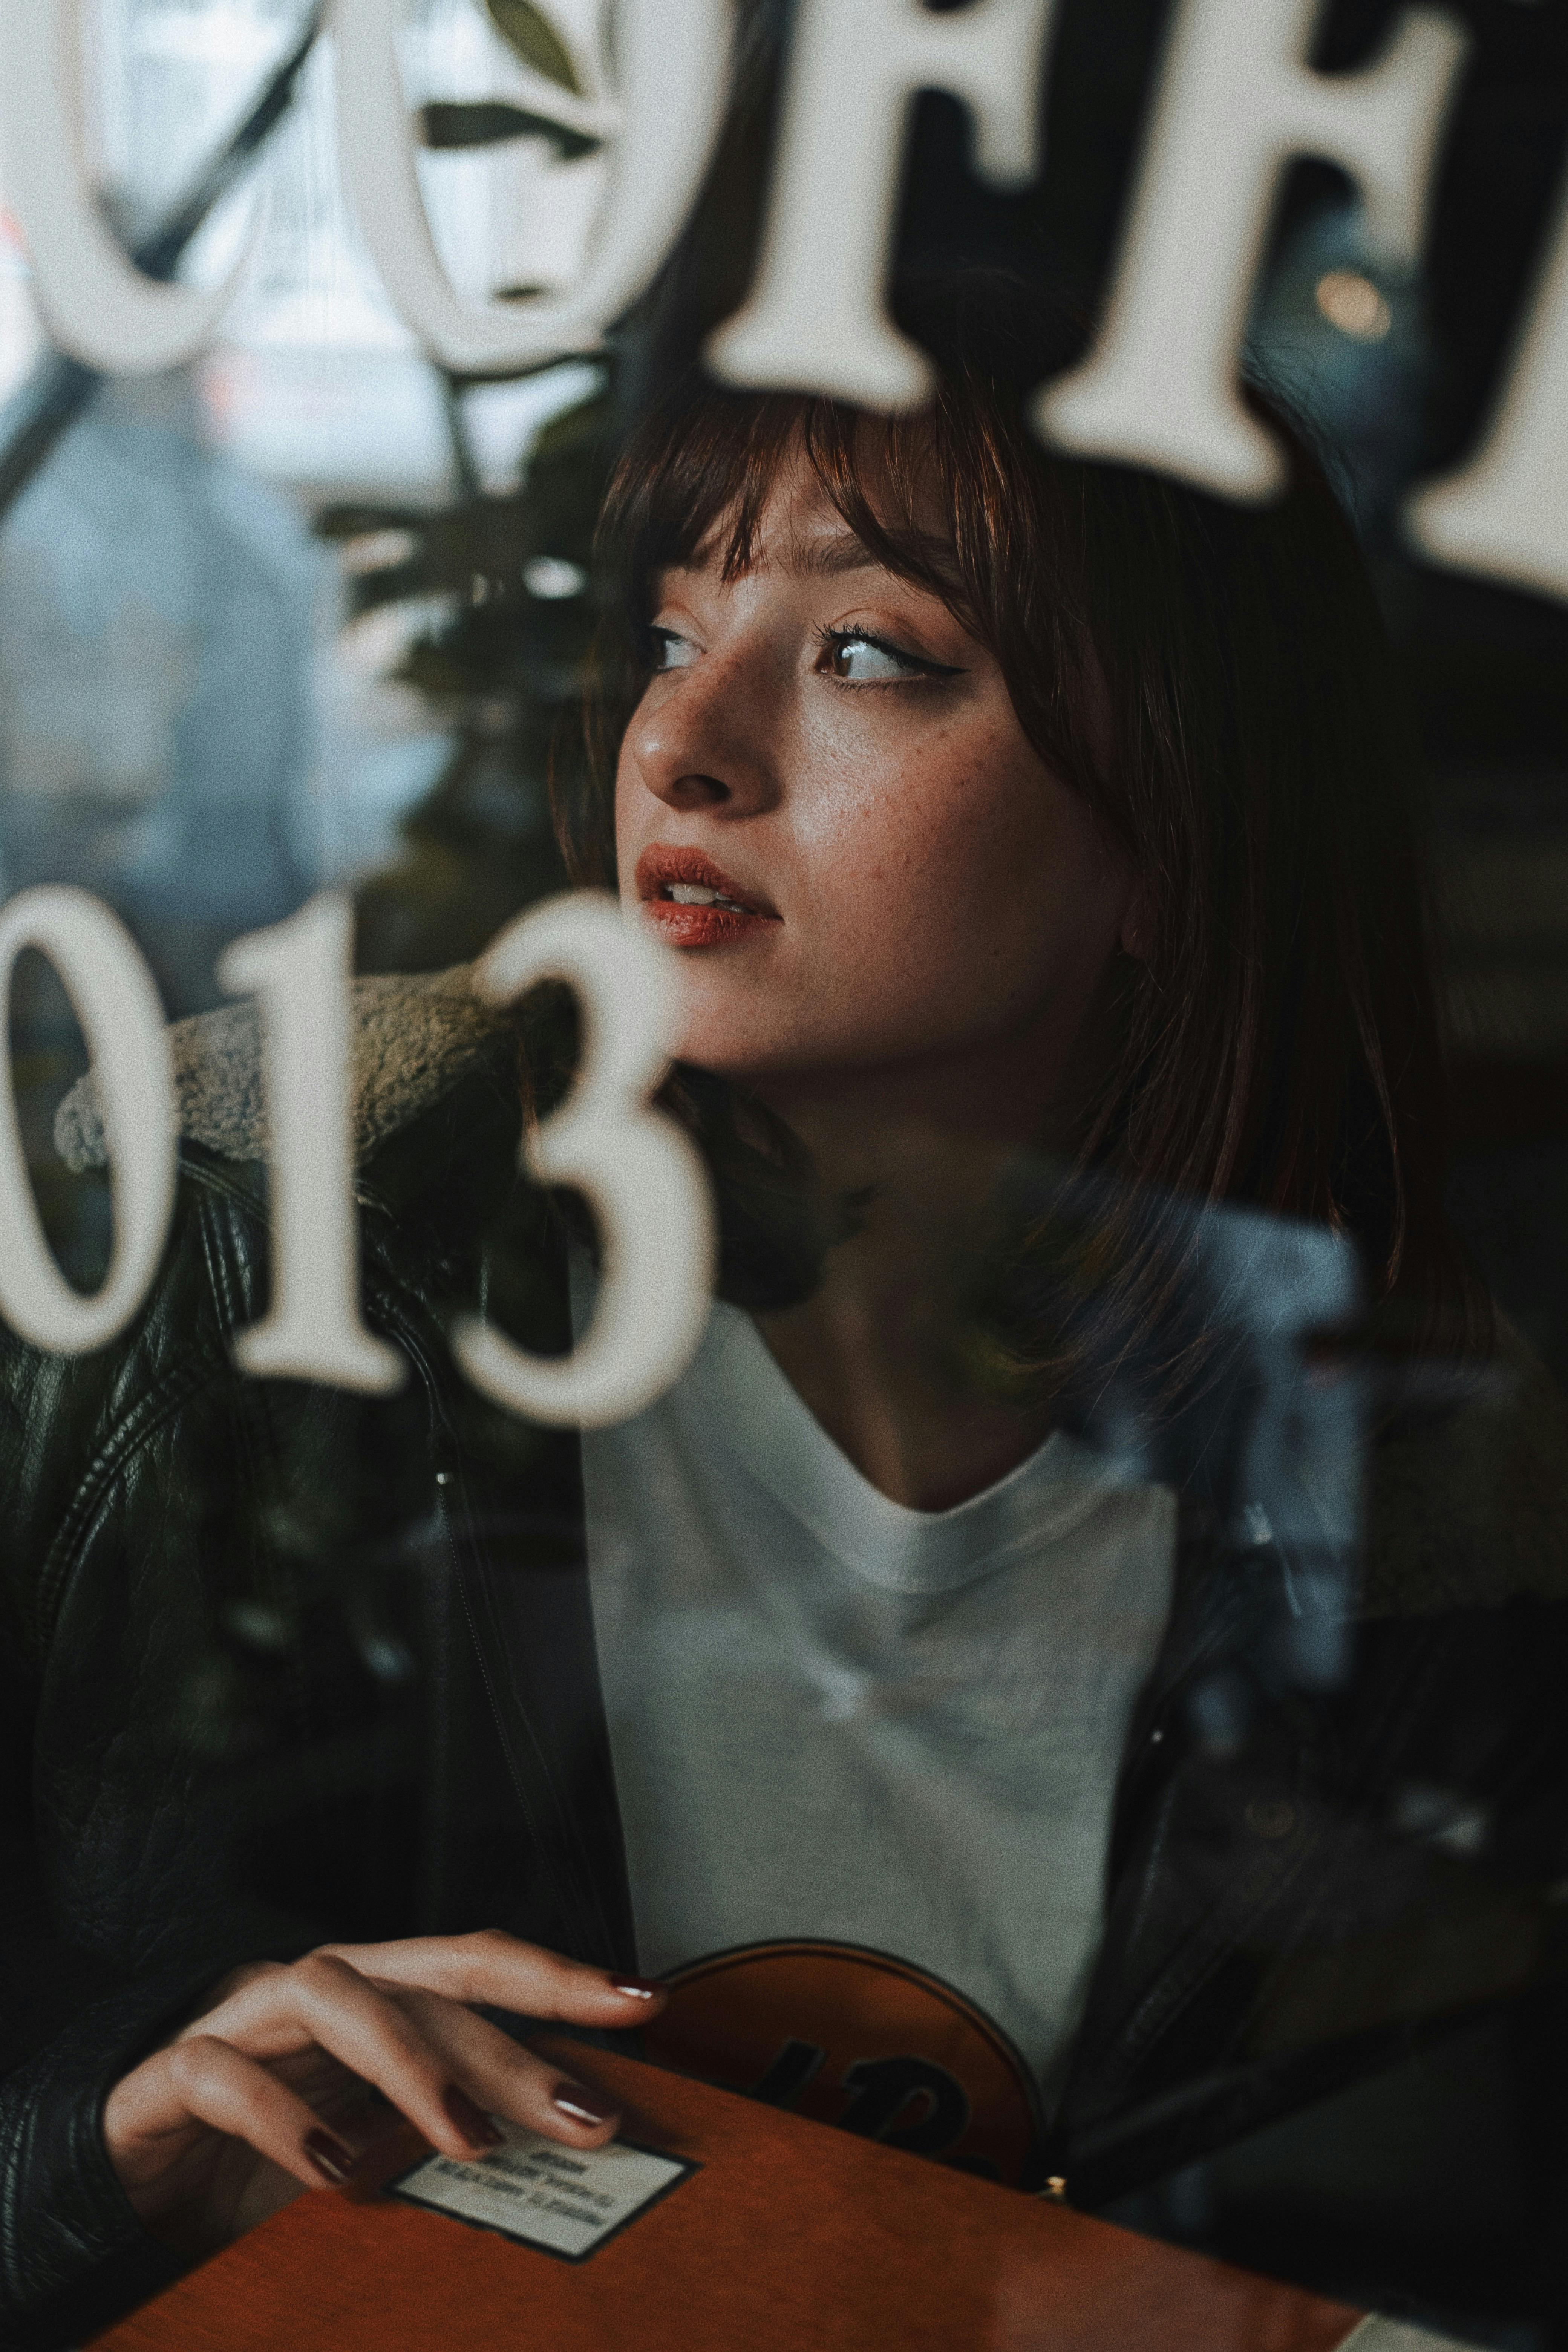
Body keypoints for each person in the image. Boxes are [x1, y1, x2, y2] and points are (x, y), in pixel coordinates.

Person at [2, 276, 1565, 2348]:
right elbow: (76, 2072)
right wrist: (85, 2166)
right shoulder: (283, 1246)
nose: (684, 739)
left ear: (1173, 836)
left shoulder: (1408, 1497)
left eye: (863, 653)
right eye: (670, 630)